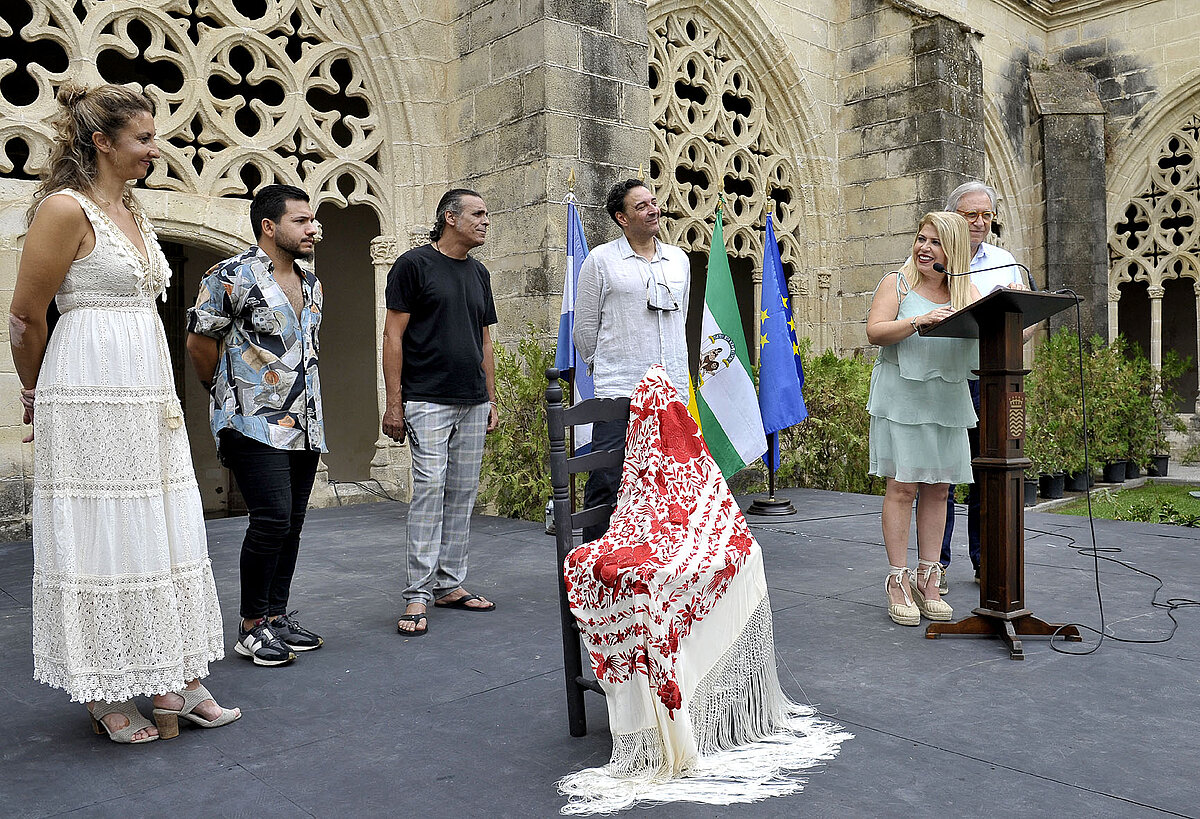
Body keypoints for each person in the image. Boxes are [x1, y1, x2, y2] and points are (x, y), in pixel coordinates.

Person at [10, 82, 238, 742]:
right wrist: (34, 394)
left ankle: (175, 675)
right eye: (142, 138)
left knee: (160, 523)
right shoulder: (64, 209)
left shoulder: (131, 208)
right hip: (87, 388)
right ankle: (103, 690)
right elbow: (26, 319)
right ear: (102, 142)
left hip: (143, 386)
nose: (154, 148)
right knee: (101, 530)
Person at [186, 184, 325, 666]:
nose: (313, 229)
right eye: (301, 221)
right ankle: (251, 625)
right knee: (270, 520)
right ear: (269, 226)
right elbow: (200, 344)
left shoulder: (311, 283)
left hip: (306, 421)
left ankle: (276, 614)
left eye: (313, 221)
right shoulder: (228, 276)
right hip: (251, 420)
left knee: (293, 523)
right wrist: (224, 394)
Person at [382, 189, 499, 637]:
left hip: (472, 400)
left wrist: (490, 396)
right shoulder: (414, 265)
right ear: (449, 217)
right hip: (426, 398)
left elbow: (484, 340)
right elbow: (393, 336)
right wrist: (393, 402)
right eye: (478, 213)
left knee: (464, 491)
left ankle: (450, 583)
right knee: (430, 489)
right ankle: (417, 592)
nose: (486, 221)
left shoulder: (480, 273)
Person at [866, 212, 982, 626]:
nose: (924, 248)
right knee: (902, 488)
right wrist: (918, 321)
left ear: (952, 251)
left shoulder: (968, 295)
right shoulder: (895, 284)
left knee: (939, 489)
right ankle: (898, 581)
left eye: (934, 242)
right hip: (903, 398)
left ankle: (928, 577)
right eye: (920, 239)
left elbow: (1002, 335)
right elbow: (875, 331)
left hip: (946, 398)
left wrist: (1019, 309)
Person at [571, 179, 690, 542]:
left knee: (668, 483)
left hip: (671, 392)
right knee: (608, 480)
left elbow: (680, 318)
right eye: (641, 206)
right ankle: (592, 568)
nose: (653, 209)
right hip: (619, 389)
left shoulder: (679, 260)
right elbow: (584, 328)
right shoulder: (601, 260)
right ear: (622, 217)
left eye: (653, 202)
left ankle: (657, 564)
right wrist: (609, 367)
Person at [938, 182, 1030, 588]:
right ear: (953, 215)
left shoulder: (1005, 262)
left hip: (989, 381)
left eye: (985, 215)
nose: (978, 222)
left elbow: (1023, 329)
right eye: (969, 214)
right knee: (940, 475)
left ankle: (985, 561)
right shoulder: (934, 256)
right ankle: (934, 565)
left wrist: (1017, 319)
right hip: (943, 377)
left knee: (986, 472)